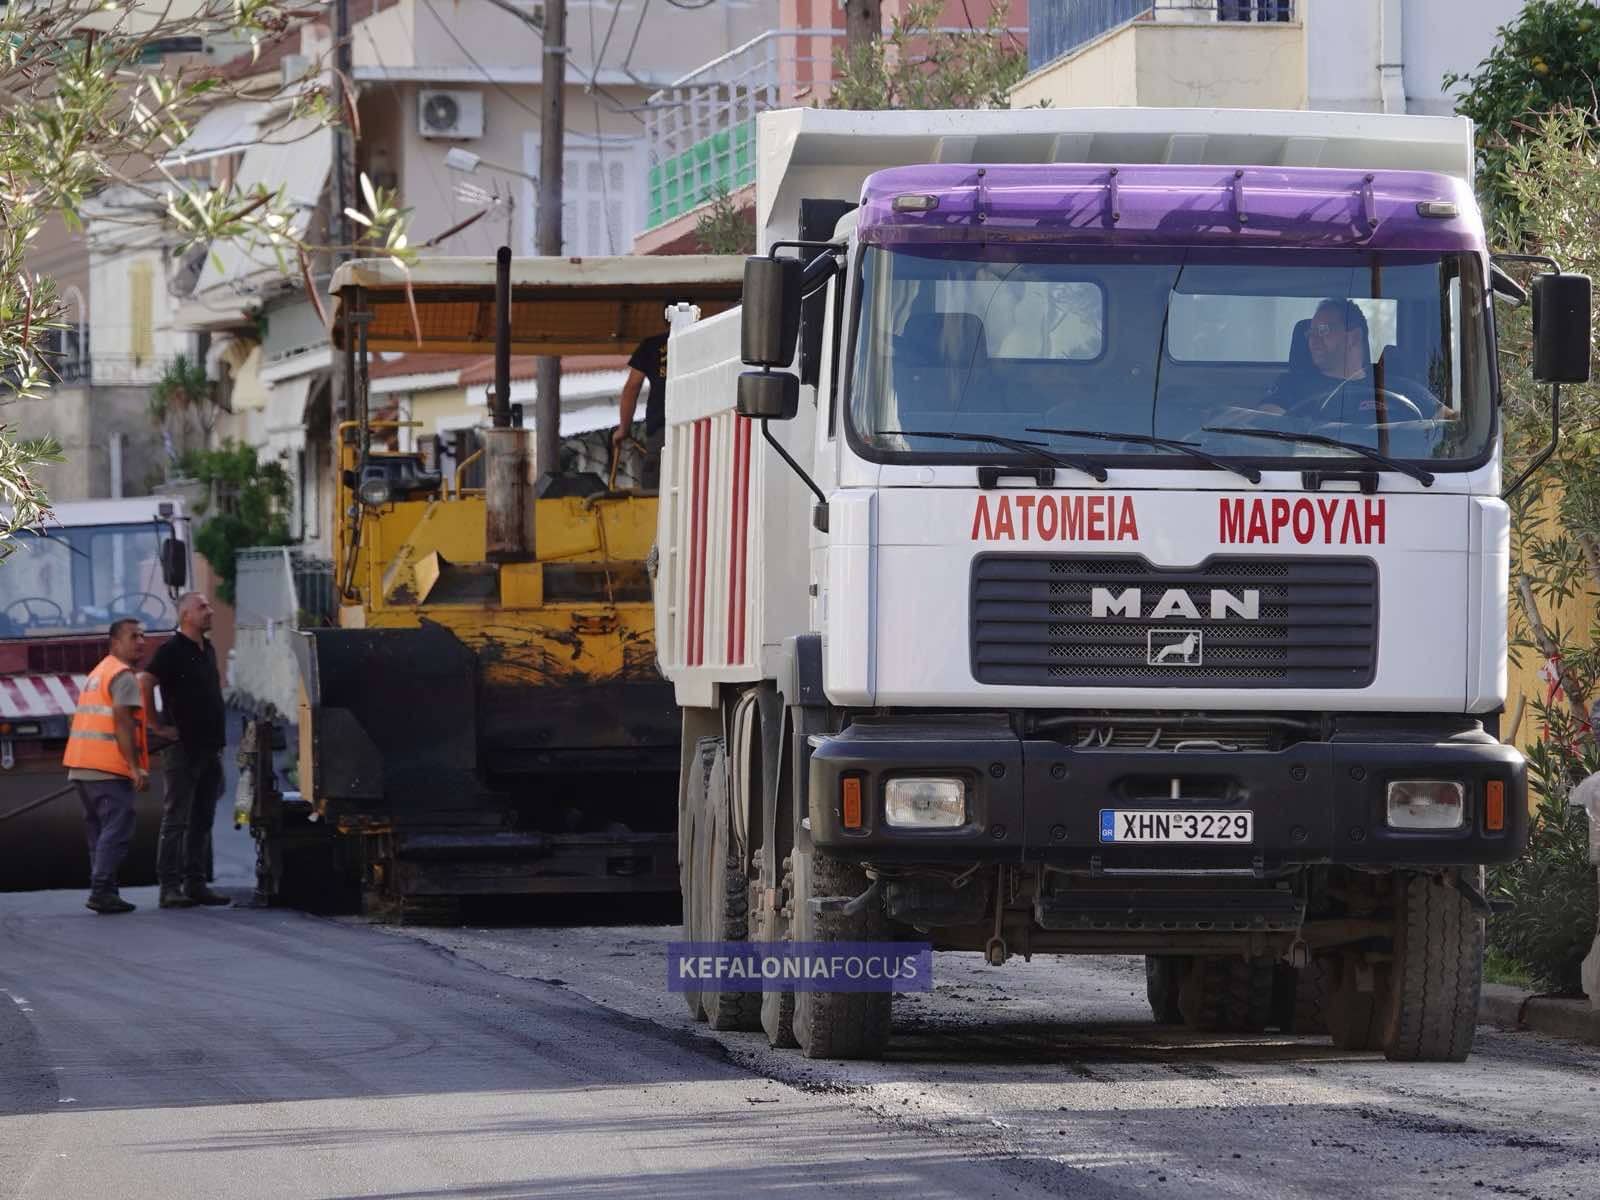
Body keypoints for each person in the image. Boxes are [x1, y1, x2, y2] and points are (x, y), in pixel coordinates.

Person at [62, 618, 150, 915]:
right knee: (117, 828)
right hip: (106, 768)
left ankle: (107, 891)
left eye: (142, 636)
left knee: (100, 833)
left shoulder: (99, 672)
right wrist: (134, 767)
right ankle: (101, 890)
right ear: (115, 643)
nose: (141, 642)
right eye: (133, 637)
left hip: (82, 766)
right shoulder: (123, 676)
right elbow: (122, 723)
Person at [149, 592, 231, 909]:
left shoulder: (207, 648)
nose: (210, 611)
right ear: (186, 615)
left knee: (202, 818)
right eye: (202, 607)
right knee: (176, 819)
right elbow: (144, 682)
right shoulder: (171, 651)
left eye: (209, 605)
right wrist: (157, 726)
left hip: (209, 747)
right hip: (183, 748)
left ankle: (195, 883)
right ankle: (169, 887)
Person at [1260, 298, 1374, 422]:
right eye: (1310, 333)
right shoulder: (1291, 385)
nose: (1313, 340)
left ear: (1354, 337)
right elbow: (1266, 422)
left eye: (1323, 330)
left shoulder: (1384, 386)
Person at [611, 330, 668, 489]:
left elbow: (632, 387)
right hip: (701, 429)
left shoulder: (652, 345)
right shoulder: (703, 338)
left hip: (662, 430)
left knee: (654, 492)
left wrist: (623, 429)